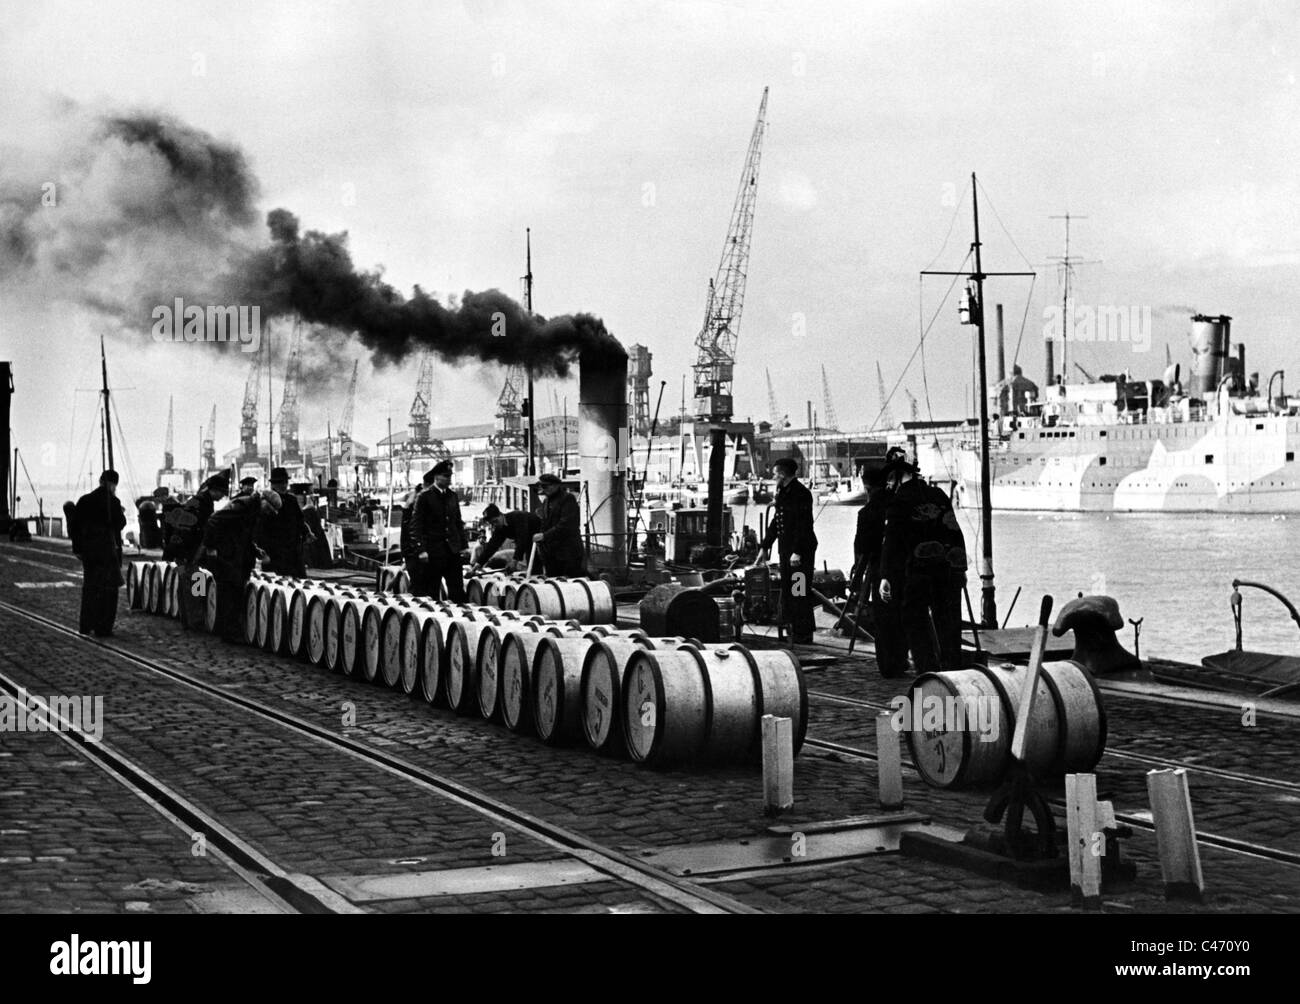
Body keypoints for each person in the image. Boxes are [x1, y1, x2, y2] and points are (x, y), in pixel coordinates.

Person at [878, 448, 949, 674]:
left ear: (898, 475)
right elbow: (953, 532)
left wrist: (885, 577)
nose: (889, 484)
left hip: (915, 572)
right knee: (946, 623)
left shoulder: (899, 501)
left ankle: (927, 673)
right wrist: (959, 568)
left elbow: (892, 542)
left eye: (890, 478)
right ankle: (952, 671)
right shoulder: (939, 495)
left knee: (915, 620)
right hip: (944, 571)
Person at [200, 489, 281, 642]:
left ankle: (230, 630)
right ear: (263, 500)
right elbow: (214, 521)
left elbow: (242, 535)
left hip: (237, 557)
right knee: (228, 593)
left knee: (235, 593)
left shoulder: (253, 510)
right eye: (269, 509)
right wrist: (211, 547)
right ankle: (228, 632)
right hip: (227, 556)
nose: (268, 513)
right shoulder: (243, 505)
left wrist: (255, 550)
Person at [757, 457, 818, 644]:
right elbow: (777, 522)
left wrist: (798, 551)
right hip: (786, 550)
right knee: (789, 591)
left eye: (775, 473)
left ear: (782, 474)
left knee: (799, 590)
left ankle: (803, 633)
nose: (773, 476)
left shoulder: (801, 493)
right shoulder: (784, 492)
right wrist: (765, 546)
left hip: (799, 552)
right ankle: (793, 628)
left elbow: (804, 525)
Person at [853, 466, 906, 676]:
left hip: (879, 569)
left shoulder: (866, 513)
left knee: (884, 620)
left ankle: (888, 663)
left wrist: (857, 573)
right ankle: (903, 659)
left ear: (867, 487)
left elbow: (862, 547)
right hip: (904, 568)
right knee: (903, 615)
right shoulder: (899, 504)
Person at [164, 473, 230, 628]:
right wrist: (198, 553)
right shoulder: (204, 503)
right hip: (188, 551)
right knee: (196, 581)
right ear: (214, 490)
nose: (222, 497)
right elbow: (199, 531)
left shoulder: (195, 500)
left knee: (184, 582)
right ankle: (196, 620)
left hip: (179, 551)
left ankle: (186, 619)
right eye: (221, 493)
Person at [71, 470, 127, 636]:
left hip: (89, 549)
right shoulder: (113, 502)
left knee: (90, 587)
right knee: (109, 590)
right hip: (107, 550)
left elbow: (74, 527)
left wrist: (78, 549)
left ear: (100, 480)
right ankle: (103, 627)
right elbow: (121, 523)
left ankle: (86, 625)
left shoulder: (84, 500)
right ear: (113, 484)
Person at [413, 460, 469, 601]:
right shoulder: (424, 497)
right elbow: (416, 526)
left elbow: (457, 522)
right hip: (433, 552)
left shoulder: (452, 496)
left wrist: (464, 546)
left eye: (450, 476)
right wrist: (421, 550)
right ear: (436, 477)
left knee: (457, 591)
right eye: (446, 476)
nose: (449, 479)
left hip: (452, 551)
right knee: (431, 591)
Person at [256, 467, 313, 577]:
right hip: (274, 552)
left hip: (292, 551)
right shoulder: (265, 502)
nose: (283, 485)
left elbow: (299, 520)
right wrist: (263, 553)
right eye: (280, 482)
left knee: (297, 580)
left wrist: (307, 533)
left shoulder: (291, 500)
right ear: (273, 485)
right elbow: (259, 530)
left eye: (285, 482)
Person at [534, 472, 584, 577]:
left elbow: (566, 525)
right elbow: (544, 523)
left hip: (568, 553)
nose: (543, 490)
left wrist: (544, 536)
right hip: (552, 555)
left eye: (545, 486)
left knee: (570, 585)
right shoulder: (546, 502)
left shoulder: (567, 499)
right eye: (541, 486)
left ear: (555, 485)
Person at [471, 503, 541, 573]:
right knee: (533, 569)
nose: (495, 525)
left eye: (496, 521)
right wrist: (478, 564)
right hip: (530, 542)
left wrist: (514, 561)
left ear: (501, 515)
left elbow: (521, 539)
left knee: (541, 565)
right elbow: (491, 546)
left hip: (542, 536)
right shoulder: (499, 528)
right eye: (492, 523)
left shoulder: (517, 517)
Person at [400, 474, 431, 595]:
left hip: (412, 553)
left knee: (420, 588)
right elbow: (414, 531)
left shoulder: (411, 502)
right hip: (416, 555)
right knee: (420, 589)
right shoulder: (416, 504)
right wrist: (420, 550)